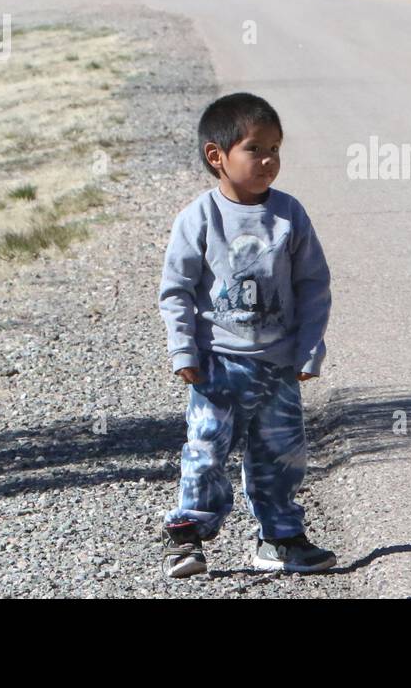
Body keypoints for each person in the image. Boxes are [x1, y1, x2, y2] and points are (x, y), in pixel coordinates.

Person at [158, 93, 335, 576]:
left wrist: (308, 348)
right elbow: (176, 289)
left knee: (281, 455)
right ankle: (188, 538)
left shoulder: (289, 215)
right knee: (206, 448)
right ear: (218, 157)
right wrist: (183, 349)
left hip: (278, 366)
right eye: (256, 149)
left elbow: (313, 286)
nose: (269, 160)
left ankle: (279, 539)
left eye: (276, 148)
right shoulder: (199, 218)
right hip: (218, 364)